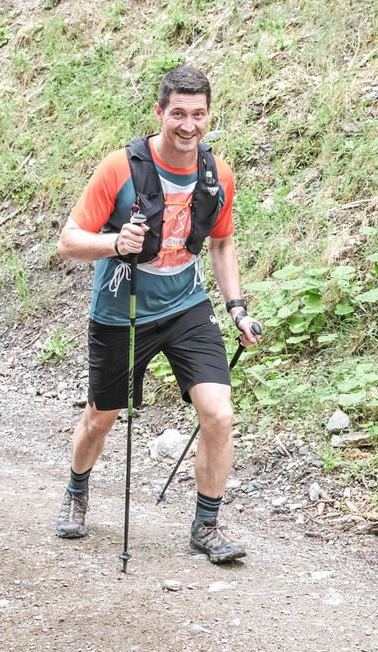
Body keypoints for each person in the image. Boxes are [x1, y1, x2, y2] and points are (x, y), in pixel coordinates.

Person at [54, 64, 261, 563]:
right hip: (121, 312)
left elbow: (222, 242)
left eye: (198, 114)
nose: (188, 125)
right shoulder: (119, 169)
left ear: (208, 115)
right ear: (160, 113)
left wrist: (236, 307)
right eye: (178, 114)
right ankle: (77, 491)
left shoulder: (217, 174)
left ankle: (207, 526)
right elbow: (68, 242)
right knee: (102, 418)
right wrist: (112, 242)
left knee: (218, 414)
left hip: (186, 306)